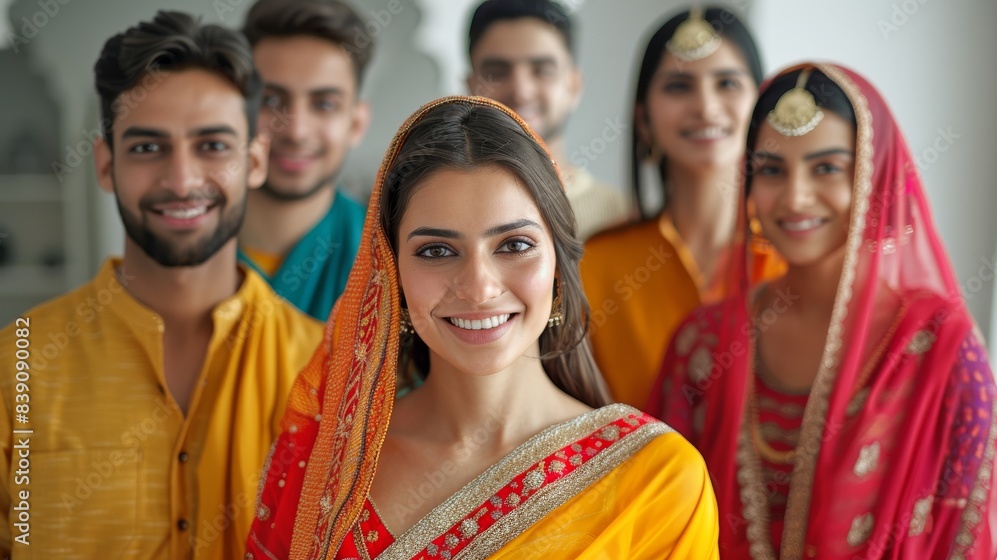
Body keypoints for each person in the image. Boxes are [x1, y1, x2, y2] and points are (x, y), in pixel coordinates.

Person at [244, 96, 719, 559]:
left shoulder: (655, 479)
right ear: (391, 274)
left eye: (513, 245)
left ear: (557, 263)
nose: (477, 287)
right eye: (436, 251)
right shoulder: (327, 466)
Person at [0, 12, 324, 559]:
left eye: (213, 146)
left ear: (255, 160)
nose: (180, 181)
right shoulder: (19, 365)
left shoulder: (324, 368)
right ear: (105, 165)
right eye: (148, 148)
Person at [648, 63, 997, 558]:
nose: (795, 196)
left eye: (827, 168)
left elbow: (964, 532)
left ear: (874, 178)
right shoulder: (702, 343)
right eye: (771, 169)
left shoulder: (940, 348)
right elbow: (660, 521)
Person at [581, 6, 785, 409]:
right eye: (679, 86)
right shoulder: (595, 267)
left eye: (727, 83)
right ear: (643, 120)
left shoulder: (794, 259)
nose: (706, 107)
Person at [238, 0, 372, 320]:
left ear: (356, 124)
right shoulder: (184, 246)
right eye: (271, 100)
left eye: (324, 104)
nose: (296, 131)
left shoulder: (387, 262)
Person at [466, 0, 629, 241]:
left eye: (542, 70)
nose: (521, 91)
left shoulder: (620, 217)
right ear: (470, 87)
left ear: (574, 86)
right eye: (496, 72)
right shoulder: (434, 206)